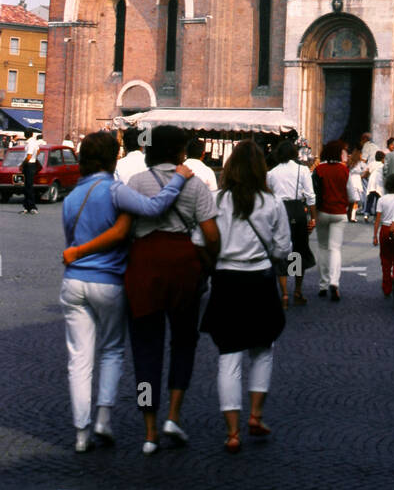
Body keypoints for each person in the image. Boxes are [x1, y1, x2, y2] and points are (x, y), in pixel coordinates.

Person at [58, 132, 195, 452]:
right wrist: (177, 179)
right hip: (108, 281)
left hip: (73, 282)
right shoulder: (115, 189)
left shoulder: (70, 198)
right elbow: (155, 206)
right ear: (111, 158)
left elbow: (71, 239)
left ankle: (81, 433)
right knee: (111, 351)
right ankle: (104, 418)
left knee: (78, 360)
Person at [124, 125, 221, 453]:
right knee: (183, 342)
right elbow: (211, 234)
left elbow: (125, 228)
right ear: (180, 152)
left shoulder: (135, 182)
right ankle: (173, 416)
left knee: (145, 350)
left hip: (145, 266)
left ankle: (149, 429)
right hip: (182, 266)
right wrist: (212, 260)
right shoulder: (195, 185)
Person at [200, 141, 291, 453]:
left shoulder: (216, 200)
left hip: (226, 280)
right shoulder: (272, 203)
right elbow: (282, 250)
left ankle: (232, 432)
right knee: (263, 349)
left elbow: (200, 239)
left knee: (229, 357)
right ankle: (256, 415)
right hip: (260, 280)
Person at [266, 139, 316, 307]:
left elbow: (268, 196)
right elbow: (310, 196)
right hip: (296, 210)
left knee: (281, 249)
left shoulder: (272, 173)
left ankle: (284, 294)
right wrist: (313, 217)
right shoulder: (303, 170)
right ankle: (297, 291)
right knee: (298, 250)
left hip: (279, 211)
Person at [312, 140, 349, 301]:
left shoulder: (319, 169)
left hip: (322, 212)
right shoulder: (344, 170)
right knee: (335, 249)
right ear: (338, 153)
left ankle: (323, 284)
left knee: (322, 248)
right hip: (339, 212)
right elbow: (353, 194)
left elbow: (313, 192)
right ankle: (334, 282)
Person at [373, 173, 394, 297]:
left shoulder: (382, 200)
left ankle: (386, 286)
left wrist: (374, 235)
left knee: (385, 259)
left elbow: (377, 220)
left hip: (384, 228)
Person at [346, 148, 367, 222]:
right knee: (355, 200)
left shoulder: (350, 162)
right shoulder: (360, 163)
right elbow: (364, 171)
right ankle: (352, 216)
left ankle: (350, 215)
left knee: (352, 200)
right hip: (357, 180)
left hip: (351, 180)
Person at [19, 142, 40, 214]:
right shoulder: (35, 143)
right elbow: (38, 151)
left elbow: (28, 156)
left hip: (29, 165)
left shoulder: (30, 144)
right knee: (27, 186)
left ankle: (32, 207)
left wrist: (22, 165)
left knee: (28, 186)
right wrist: (35, 157)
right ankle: (27, 206)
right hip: (32, 164)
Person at [364, 151, 385, 223]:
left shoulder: (371, 163)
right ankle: (375, 217)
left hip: (372, 182)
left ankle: (366, 214)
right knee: (378, 201)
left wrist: (364, 177)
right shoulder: (383, 165)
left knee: (370, 199)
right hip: (379, 183)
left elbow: (367, 172)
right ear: (382, 158)